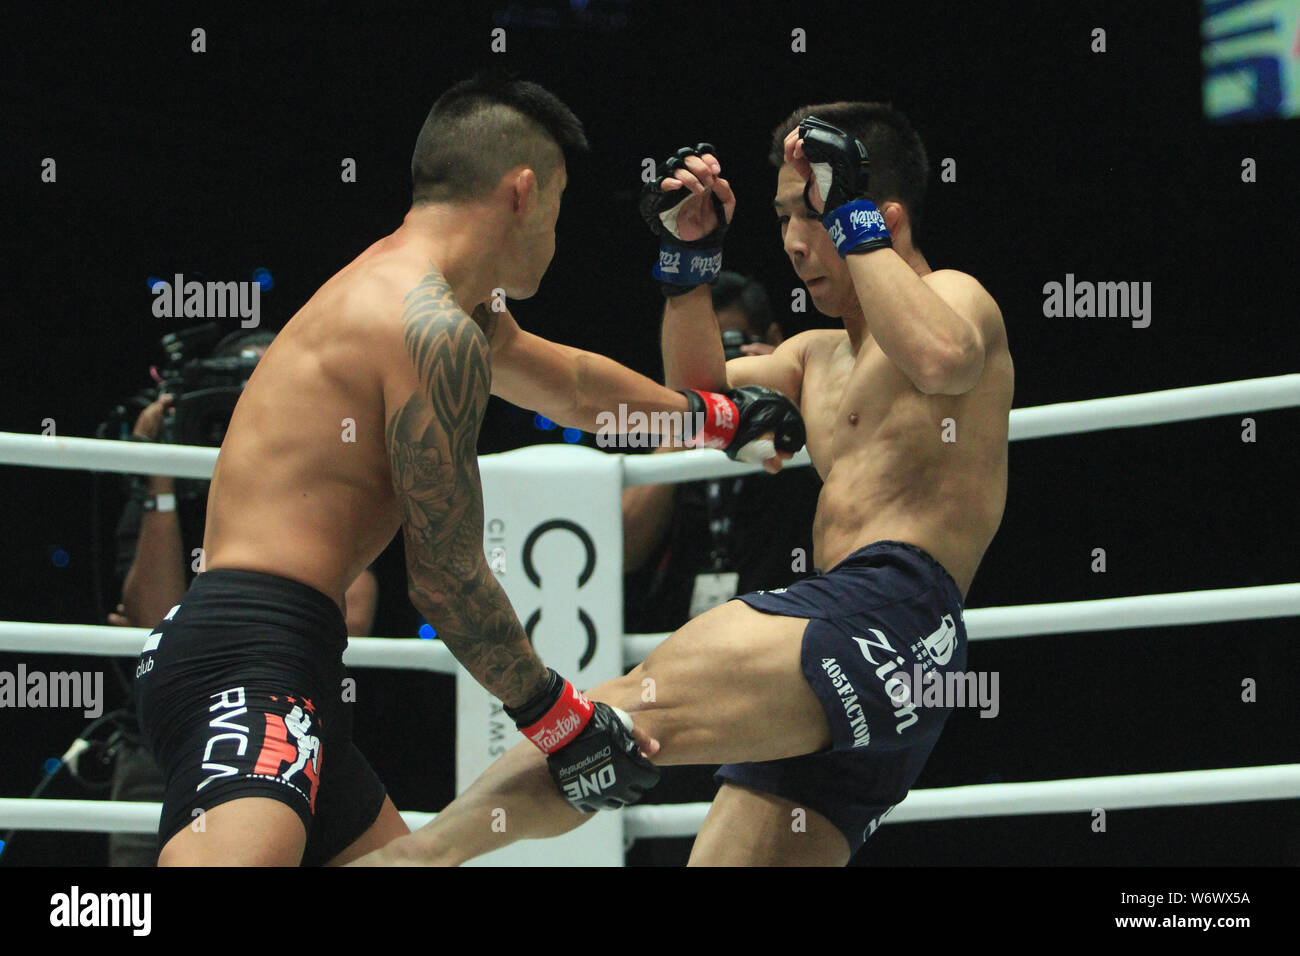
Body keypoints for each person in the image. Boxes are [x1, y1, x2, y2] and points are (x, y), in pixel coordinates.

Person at [133, 72, 805, 867]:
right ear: (523, 193)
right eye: (558, 208)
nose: (557, 238)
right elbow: (447, 576)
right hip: (250, 654)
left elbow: (576, 384)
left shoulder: (443, 308)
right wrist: (557, 717)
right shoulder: (426, 328)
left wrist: (713, 420)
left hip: (283, 652)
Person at [354, 102, 1013, 866]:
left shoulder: (959, 299)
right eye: (783, 218)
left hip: (887, 611)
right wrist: (687, 271)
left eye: (815, 212)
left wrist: (854, 217)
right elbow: (694, 407)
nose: (797, 242)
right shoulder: (813, 358)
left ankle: (409, 859)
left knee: (622, 716)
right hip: (869, 663)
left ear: (881, 215)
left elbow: (941, 359)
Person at [105, 331, 379, 866]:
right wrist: (160, 474)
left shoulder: (312, 480)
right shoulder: (175, 489)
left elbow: (357, 613)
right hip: (170, 736)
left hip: (284, 716)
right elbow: (154, 617)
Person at [623, 273, 821, 633]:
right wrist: (692, 414)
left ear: (772, 341)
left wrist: (793, 393)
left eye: (727, 348)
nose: (719, 368)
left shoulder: (814, 410)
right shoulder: (673, 433)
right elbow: (623, 550)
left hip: (786, 636)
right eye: (702, 353)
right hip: (679, 637)